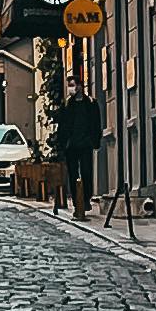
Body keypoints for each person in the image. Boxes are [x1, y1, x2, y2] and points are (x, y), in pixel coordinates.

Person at [56, 80, 104, 219]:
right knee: (73, 173)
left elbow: (96, 123)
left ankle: (86, 199)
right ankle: (77, 202)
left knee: (87, 171)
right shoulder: (66, 104)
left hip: (85, 144)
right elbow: (62, 125)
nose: (72, 88)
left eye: (74, 85)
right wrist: (63, 143)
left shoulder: (90, 103)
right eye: (70, 85)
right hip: (71, 145)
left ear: (80, 87)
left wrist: (95, 140)